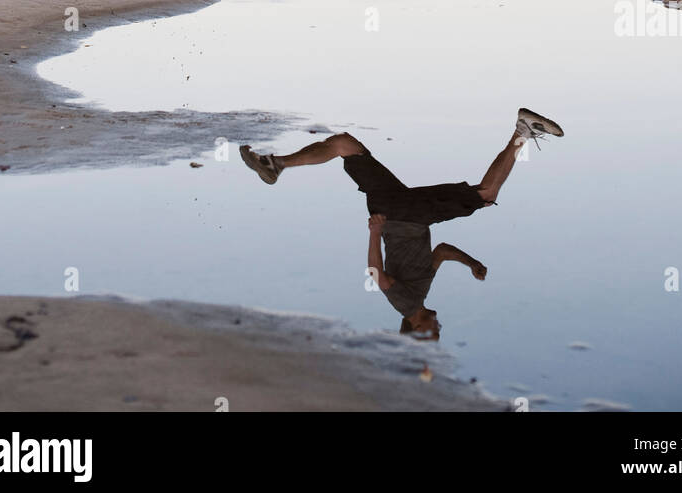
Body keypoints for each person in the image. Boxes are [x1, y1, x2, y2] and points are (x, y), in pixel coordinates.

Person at [239, 107, 564, 338]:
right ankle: (276, 164)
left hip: (406, 215)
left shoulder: (406, 304)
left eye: (433, 333)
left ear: (417, 329)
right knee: (345, 146)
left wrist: (374, 232)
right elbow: (441, 251)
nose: (439, 328)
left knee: (485, 194)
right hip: (393, 206)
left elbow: (377, 276)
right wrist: (471, 262)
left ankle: (522, 130)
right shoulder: (418, 292)